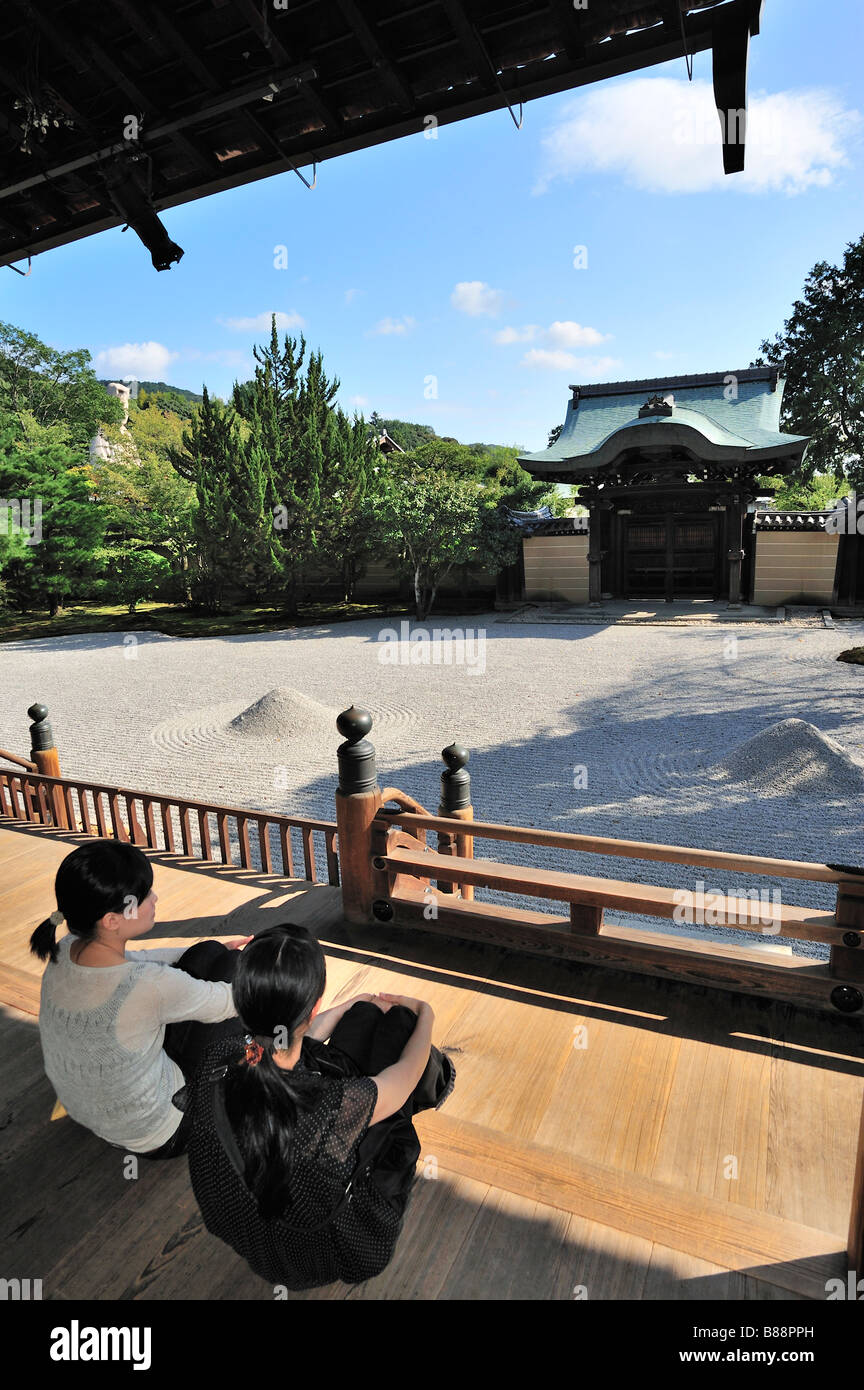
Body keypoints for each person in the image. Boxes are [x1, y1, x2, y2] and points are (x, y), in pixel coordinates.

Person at [181, 922, 455, 1290]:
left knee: (364, 1020)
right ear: (314, 1005)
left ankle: (419, 1061)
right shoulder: (327, 1106)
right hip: (320, 1254)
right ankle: (441, 1078)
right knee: (404, 1034)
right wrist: (427, 1015)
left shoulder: (220, 1057)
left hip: (244, 1229)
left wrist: (351, 1007)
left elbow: (290, 1042)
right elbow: (401, 1078)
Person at [30, 839, 249, 1159]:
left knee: (210, 953)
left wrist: (210, 950)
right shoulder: (146, 986)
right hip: (163, 1133)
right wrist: (269, 974)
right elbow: (234, 1001)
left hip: (92, 1110)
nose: (154, 898)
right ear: (112, 920)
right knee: (235, 971)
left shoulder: (67, 947)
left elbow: (141, 958)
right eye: (144, 895)